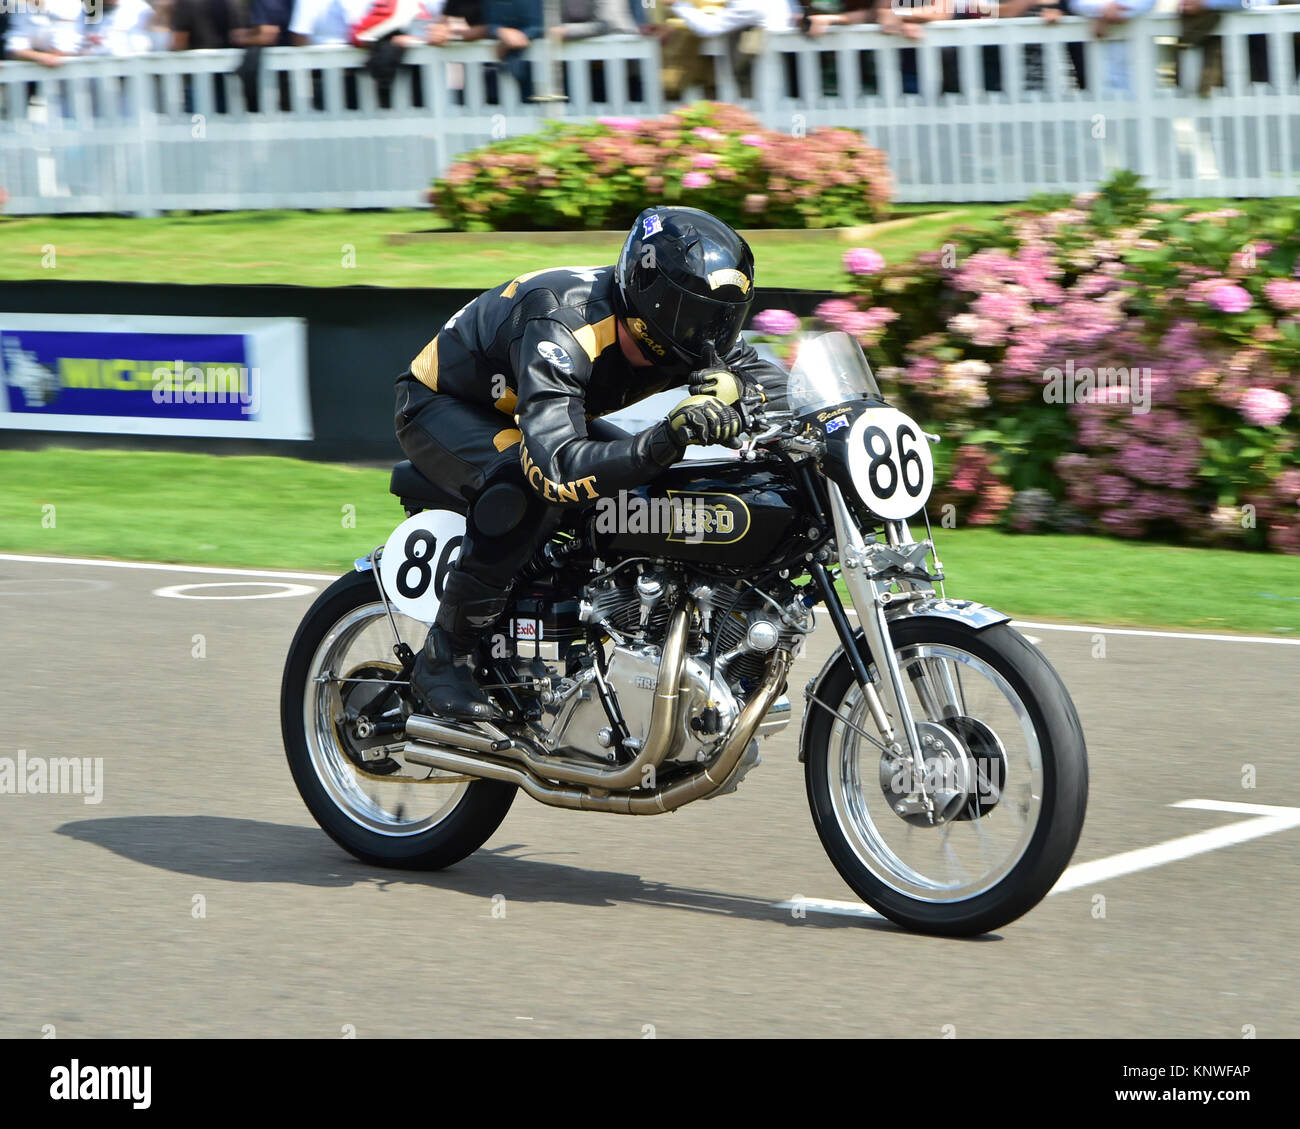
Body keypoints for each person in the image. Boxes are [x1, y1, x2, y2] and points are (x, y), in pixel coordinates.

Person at [394, 207, 785, 721]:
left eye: (722, 318)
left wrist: (747, 393)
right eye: (695, 316)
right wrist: (666, 437)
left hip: (543, 410)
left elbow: (778, 387)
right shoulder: (562, 319)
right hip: (446, 405)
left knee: (647, 494)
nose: (709, 336)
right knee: (523, 488)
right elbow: (556, 466)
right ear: (652, 298)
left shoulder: (697, 338)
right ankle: (445, 658)